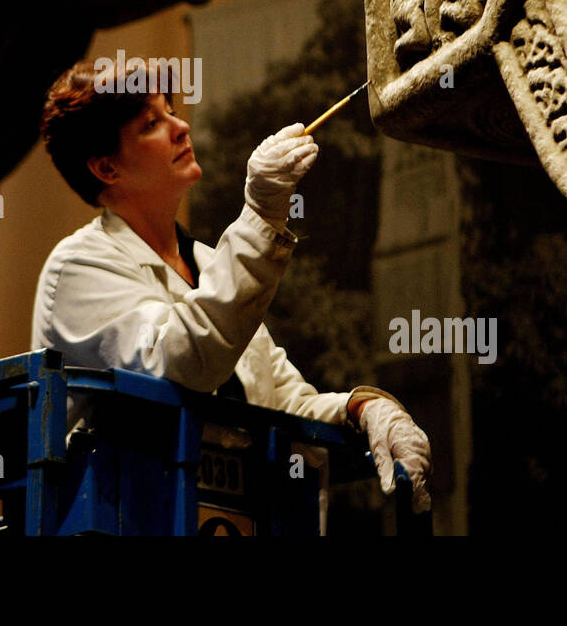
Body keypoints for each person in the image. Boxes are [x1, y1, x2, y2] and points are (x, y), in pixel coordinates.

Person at [31, 58, 432, 513]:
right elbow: (182, 359)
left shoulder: (208, 265)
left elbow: (279, 403)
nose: (180, 127)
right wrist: (261, 217)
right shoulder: (79, 267)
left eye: (170, 110)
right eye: (150, 124)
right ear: (106, 168)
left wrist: (362, 411)